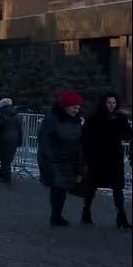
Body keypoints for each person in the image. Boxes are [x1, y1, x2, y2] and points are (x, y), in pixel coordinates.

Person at [81, 92, 131, 228]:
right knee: (91, 187)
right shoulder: (93, 118)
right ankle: (86, 211)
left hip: (114, 158)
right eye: (109, 103)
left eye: (114, 103)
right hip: (97, 158)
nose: (111, 105)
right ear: (104, 103)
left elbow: (127, 136)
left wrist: (125, 127)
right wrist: (87, 157)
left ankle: (121, 216)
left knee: (117, 188)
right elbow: (85, 138)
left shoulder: (120, 118)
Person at [38, 91, 85, 227]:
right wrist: (48, 161)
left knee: (63, 189)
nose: (77, 110)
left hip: (70, 160)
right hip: (55, 160)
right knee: (58, 188)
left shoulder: (76, 120)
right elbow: (45, 142)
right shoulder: (52, 119)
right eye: (74, 107)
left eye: (78, 107)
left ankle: (57, 214)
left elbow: (79, 141)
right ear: (65, 106)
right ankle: (56, 215)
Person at [0, 98, 23, 183]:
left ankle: (6, 177)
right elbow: (19, 129)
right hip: (14, 138)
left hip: (3, 138)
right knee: (7, 158)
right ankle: (2, 173)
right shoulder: (16, 114)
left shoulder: (1, 114)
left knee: (5, 158)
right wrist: (20, 140)